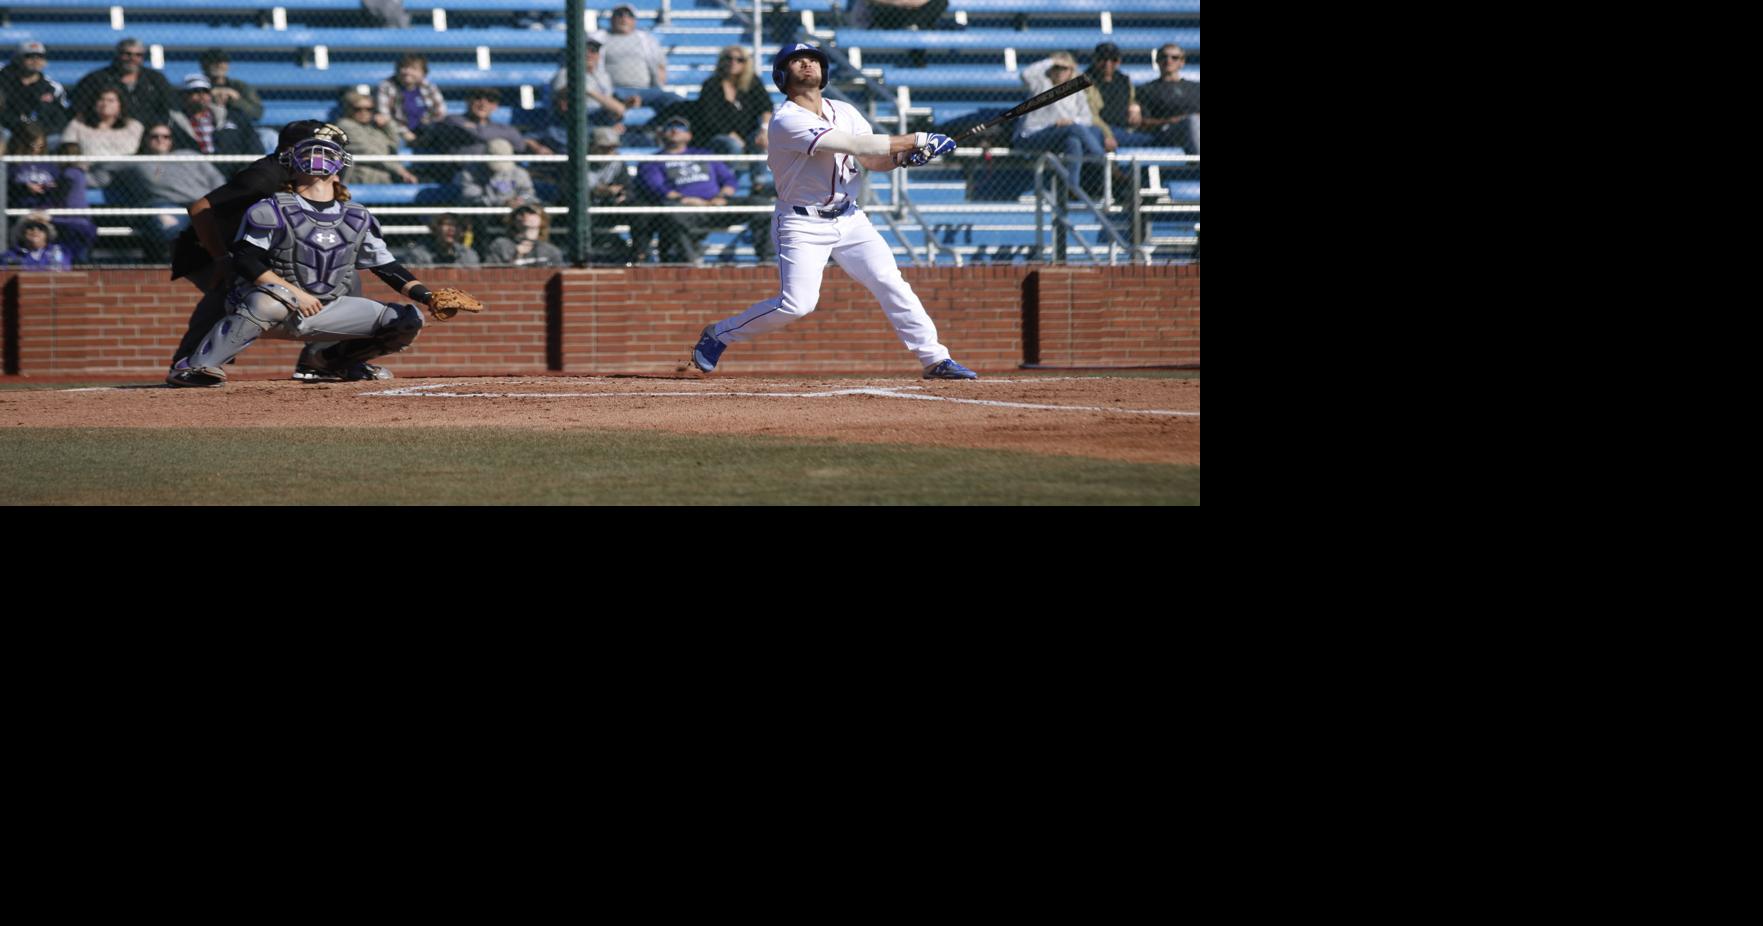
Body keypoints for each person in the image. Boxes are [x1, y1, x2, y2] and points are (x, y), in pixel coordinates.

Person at [686, 43, 977, 380]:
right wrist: (918, 138)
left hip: (850, 218)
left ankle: (935, 359)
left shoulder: (844, 110)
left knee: (890, 281)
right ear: (782, 76)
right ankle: (718, 335)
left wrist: (902, 158)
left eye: (813, 60)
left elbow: (871, 160)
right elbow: (855, 145)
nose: (807, 64)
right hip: (800, 222)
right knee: (797, 305)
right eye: (797, 61)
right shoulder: (786, 119)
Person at [166, 133, 441, 387]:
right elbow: (245, 259)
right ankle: (196, 366)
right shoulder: (271, 207)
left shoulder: (357, 216)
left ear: (339, 170)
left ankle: (332, 363)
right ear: (291, 165)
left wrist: (428, 297)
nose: (317, 158)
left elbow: (386, 266)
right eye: (308, 153)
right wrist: (296, 295)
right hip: (272, 306)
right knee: (269, 298)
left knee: (406, 318)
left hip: (327, 306)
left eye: (326, 154)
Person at [112, 124, 228, 261]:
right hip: (168, 206)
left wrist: (219, 201)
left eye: (166, 137)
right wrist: (82, 166)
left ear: (171, 140)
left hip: (202, 203)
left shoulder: (189, 155)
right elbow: (103, 170)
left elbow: (216, 179)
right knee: (167, 227)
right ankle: (163, 271)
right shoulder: (137, 161)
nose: (160, 140)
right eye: (155, 136)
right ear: (146, 140)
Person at [637, 116, 737, 265]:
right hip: (684, 208)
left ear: (689, 136)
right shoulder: (653, 161)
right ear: (661, 134)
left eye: (681, 128)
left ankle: (767, 260)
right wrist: (685, 200)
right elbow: (658, 188)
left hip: (717, 205)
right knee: (672, 214)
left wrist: (722, 197)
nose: (674, 130)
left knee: (762, 205)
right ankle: (690, 262)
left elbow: (729, 180)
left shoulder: (705, 155)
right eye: (669, 128)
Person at [1012, 53, 1107, 198]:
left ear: (1071, 71)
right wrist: (1051, 60)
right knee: (1074, 130)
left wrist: (1072, 120)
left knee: (1074, 140)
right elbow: (1026, 74)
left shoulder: (1076, 91)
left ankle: (1071, 187)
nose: (1060, 71)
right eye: (1056, 67)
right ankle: (1101, 158)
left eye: (1064, 68)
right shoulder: (1041, 84)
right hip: (1031, 136)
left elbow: (1086, 118)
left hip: (1059, 134)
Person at [4, 125, 96, 262]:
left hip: (46, 212)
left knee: (83, 227)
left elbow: (60, 189)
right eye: (32, 145)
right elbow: (6, 187)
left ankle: (68, 262)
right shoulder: (10, 164)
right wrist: (24, 187)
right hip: (21, 211)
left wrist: (52, 187)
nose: (36, 149)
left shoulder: (49, 164)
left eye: (40, 146)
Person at [593, 5, 687, 112]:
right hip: (614, 90)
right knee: (611, 98)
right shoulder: (599, 39)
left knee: (673, 99)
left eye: (629, 16)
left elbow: (661, 64)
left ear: (634, 21)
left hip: (645, 90)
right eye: (619, 15)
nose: (624, 19)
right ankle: (625, 105)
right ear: (611, 19)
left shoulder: (646, 40)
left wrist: (659, 81)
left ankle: (676, 127)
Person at [70, 38, 177, 128]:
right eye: (127, 54)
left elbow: (170, 107)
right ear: (117, 55)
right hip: (108, 131)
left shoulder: (156, 79)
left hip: (148, 133)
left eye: (138, 55)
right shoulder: (96, 79)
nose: (132, 59)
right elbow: (78, 107)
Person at [167, 74, 263, 171]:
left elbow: (254, 146)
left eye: (205, 91)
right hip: (193, 172)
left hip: (232, 171)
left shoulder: (233, 117)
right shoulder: (173, 122)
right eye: (195, 91)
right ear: (184, 96)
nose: (201, 95)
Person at [59, 86, 144, 188]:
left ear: (120, 105)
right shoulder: (78, 124)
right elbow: (67, 149)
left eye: (111, 100)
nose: (105, 104)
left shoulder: (134, 126)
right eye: (101, 99)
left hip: (126, 173)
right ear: (94, 104)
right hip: (92, 172)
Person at [427, 87, 545, 156]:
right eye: (478, 97)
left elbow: (519, 145)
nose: (483, 103)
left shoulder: (501, 127)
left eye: (490, 100)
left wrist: (529, 142)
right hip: (467, 176)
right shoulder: (453, 120)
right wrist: (501, 136)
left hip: (497, 178)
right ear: (468, 101)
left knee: (514, 184)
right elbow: (479, 134)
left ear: (495, 106)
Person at [337, 90, 419, 184]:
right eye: (358, 109)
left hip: (385, 176)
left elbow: (393, 146)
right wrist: (400, 170)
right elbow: (368, 152)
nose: (364, 112)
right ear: (349, 109)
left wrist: (388, 125)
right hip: (361, 178)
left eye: (369, 109)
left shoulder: (375, 128)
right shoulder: (345, 126)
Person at [544, 38, 627, 129]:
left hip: (600, 119)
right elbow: (561, 104)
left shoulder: (603, 76)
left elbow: (615, 107)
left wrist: (612, 122)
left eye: (593, 51)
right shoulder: (565, 73)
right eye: (584, 50)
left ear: (598, 55)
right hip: (572, 124)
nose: (589, 54)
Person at [582, 126, 635, 264]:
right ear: (592, 146)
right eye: (604, 148)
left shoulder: (618, 162)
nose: (610, 152)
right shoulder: (580, 162)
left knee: (640, 211)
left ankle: (638, 254)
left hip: (611, 207)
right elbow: (576, 189)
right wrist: (602, 190)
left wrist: (623, 195)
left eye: (613, 148)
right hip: (585, 207)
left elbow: (627, 187)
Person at [1136, 44, 1199, 155]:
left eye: (1174, 58)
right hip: (1166, 133)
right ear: (1157, 61)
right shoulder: (1147, 89)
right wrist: (1171, 121)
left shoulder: (1196, 87)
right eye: (1163, 57)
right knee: (1192, 121)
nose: (1168, 61)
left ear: (1182, 62)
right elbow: (1143, 122)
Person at [1, 41, 70, 139]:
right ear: (18, 59)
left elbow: (61, 116)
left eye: (40, 56)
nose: (35, 60)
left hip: (44, 133)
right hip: (9, 130)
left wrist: (43, 131)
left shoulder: (53, 88)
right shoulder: (4, 82)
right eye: (29, 56)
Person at [375, 53, 446, 146]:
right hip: (396, 132)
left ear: (423, 73)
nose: (407, 72)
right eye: (403, 67)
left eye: (413, 69)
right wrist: (404, 132)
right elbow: (385, 116)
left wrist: (428, 122)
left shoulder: (429, 87)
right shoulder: (386, 86)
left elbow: (440, 113)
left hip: (426, 130)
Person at [457, 137, 536, 209]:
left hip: (514, 212)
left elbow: (528, 192)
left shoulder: (519, 173)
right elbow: (472, 198)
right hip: (484, 213)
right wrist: (502, 202)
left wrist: (521, 200)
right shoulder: (471, 172)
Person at [483, 203, 564, 267]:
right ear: (513, 220)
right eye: (520, 213)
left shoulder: (551, 251)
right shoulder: (500, 245)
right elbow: (490, 273)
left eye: (531, 212)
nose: (525, 215)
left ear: (542, 219)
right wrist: (517, 257)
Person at [197, 49, 263, 124]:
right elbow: (186, 109)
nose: (219, 65)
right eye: (214, 62)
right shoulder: (196, 87)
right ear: (203, 65)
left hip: (238, 128)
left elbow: (257, 113)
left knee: (270, 134)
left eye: (223, 62)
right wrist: (209, 96)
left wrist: (235, 99)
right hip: (205, 127)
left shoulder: (240, 86)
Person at [402, 212, 480, 265]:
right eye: (447, 224)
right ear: (435, 228)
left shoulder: (468, 254)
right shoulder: (418, 254)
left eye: (456, 225)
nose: (451, 229)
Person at [2, 219, 71, 270]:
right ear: (22, 232)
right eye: (30, 227)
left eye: (41, 228)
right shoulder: (11, 254)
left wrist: (51, 219)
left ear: (47, 233)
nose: (35, 230)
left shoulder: (60, 251)